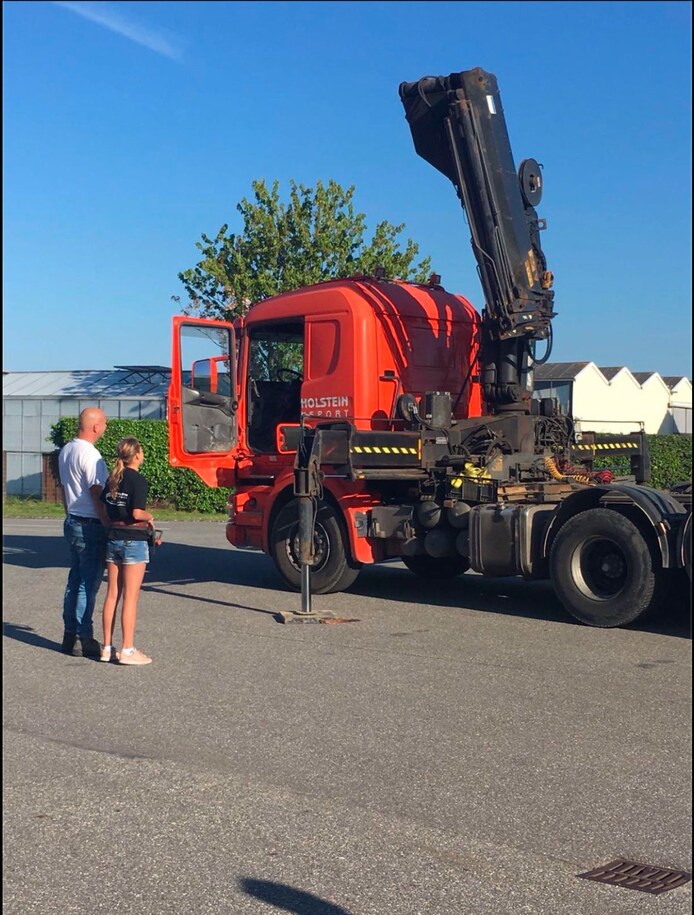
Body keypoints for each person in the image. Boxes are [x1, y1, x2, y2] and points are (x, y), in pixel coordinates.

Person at [58, 407, 109, 658]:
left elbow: (65, 487)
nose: (106, 427)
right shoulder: (91, 454)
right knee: (88, 584)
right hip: (90, 523)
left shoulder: (67, 450)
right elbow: (97, 491)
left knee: (75, 580)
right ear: (95, 427)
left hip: (73, 518)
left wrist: (69, 514)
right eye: (104, 423)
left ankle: (70, 634)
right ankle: (83, 636)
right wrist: (107, 522)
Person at [100, 436, 155, 666]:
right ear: (137, 454)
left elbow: (105, 506)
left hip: (113, 539)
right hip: (133, 540)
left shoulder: (114, 479)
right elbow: (136, 513)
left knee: (112, 594)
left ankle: (106, 647)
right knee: (131, 597)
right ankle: (128, 649)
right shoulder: (138, 480)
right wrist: (150, 517)